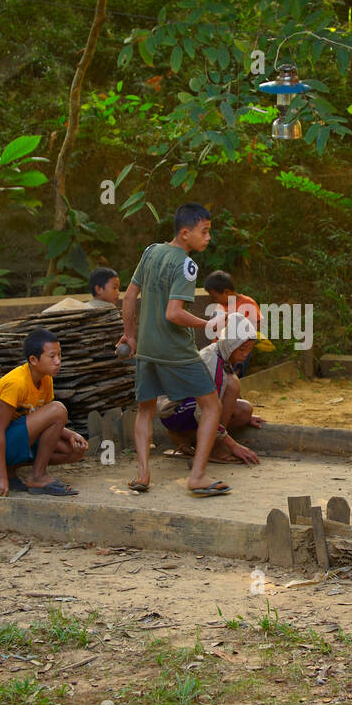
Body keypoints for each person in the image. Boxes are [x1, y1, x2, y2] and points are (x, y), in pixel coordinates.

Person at [118, 203, 231, 497]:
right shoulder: (186, 264)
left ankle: (143, 474)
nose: (208, 237)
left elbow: (129, 296)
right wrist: (208, 324)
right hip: (175, 350)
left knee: (145, 410)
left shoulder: (150, 252)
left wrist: (129, 335)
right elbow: (174, 314)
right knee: (212, 406)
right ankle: (198, 476)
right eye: (204, 232)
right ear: (185, 233)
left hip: (147, 349)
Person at [0, 327, 88, 496]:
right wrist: (1, 477)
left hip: (16, 437)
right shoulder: (17, 383)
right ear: (34, 360)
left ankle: (15, 471)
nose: (58, 361)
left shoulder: (46, 380)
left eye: (59, 355)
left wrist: (70, 435)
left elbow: (45, 422)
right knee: (58, 409)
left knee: (73, 451)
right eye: (52, 356)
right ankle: (36, 476)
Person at [158, 313, 265, 464]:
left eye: (248, 350)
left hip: (193, 407)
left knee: (244, 412)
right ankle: (214, 448)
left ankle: (185, 436)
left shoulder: (221, 353)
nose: (245, 355)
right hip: (173, 410)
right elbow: (203, 413)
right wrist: (233, 445)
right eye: (242, 349)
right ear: (230, 344)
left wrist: (239, 411)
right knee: (233, 385)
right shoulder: (212, 363)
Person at [203, 270, 261, 377]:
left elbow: (257, 323)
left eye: (215, 297)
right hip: (219, 346)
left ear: (226, 292)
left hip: (238, 346)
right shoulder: (219, 307)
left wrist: (243, 336)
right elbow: (216, 329)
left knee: (239, 356)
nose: (214, 300)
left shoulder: (248, 303)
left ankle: (235, 376)